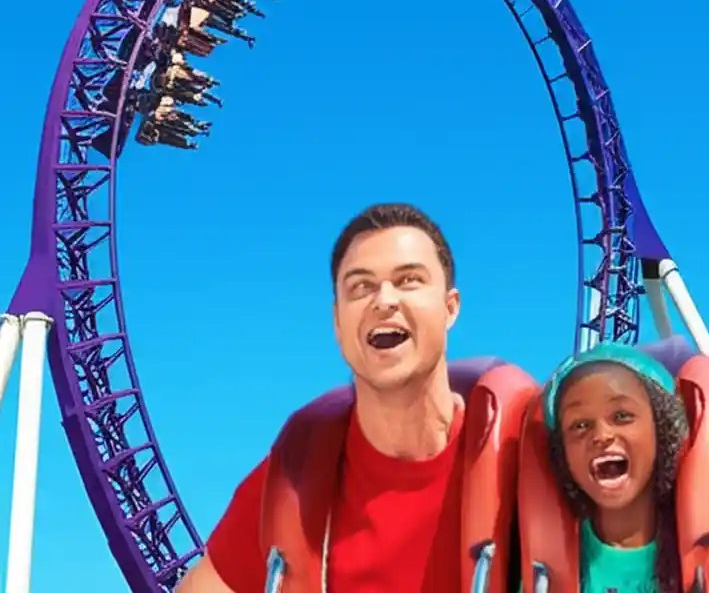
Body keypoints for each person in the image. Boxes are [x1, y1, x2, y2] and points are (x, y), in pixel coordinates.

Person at [176, 202, 520, 592]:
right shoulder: (292, 482)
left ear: (450, 307)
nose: (384, 300)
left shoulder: (527, 462)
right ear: (338, 321)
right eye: (361, 287)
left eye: (409, 280)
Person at [540, 342, 709, 592]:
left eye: (621, 416)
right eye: (580, 425)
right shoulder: (548, 559)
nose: (601, 435)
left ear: (662, 430)